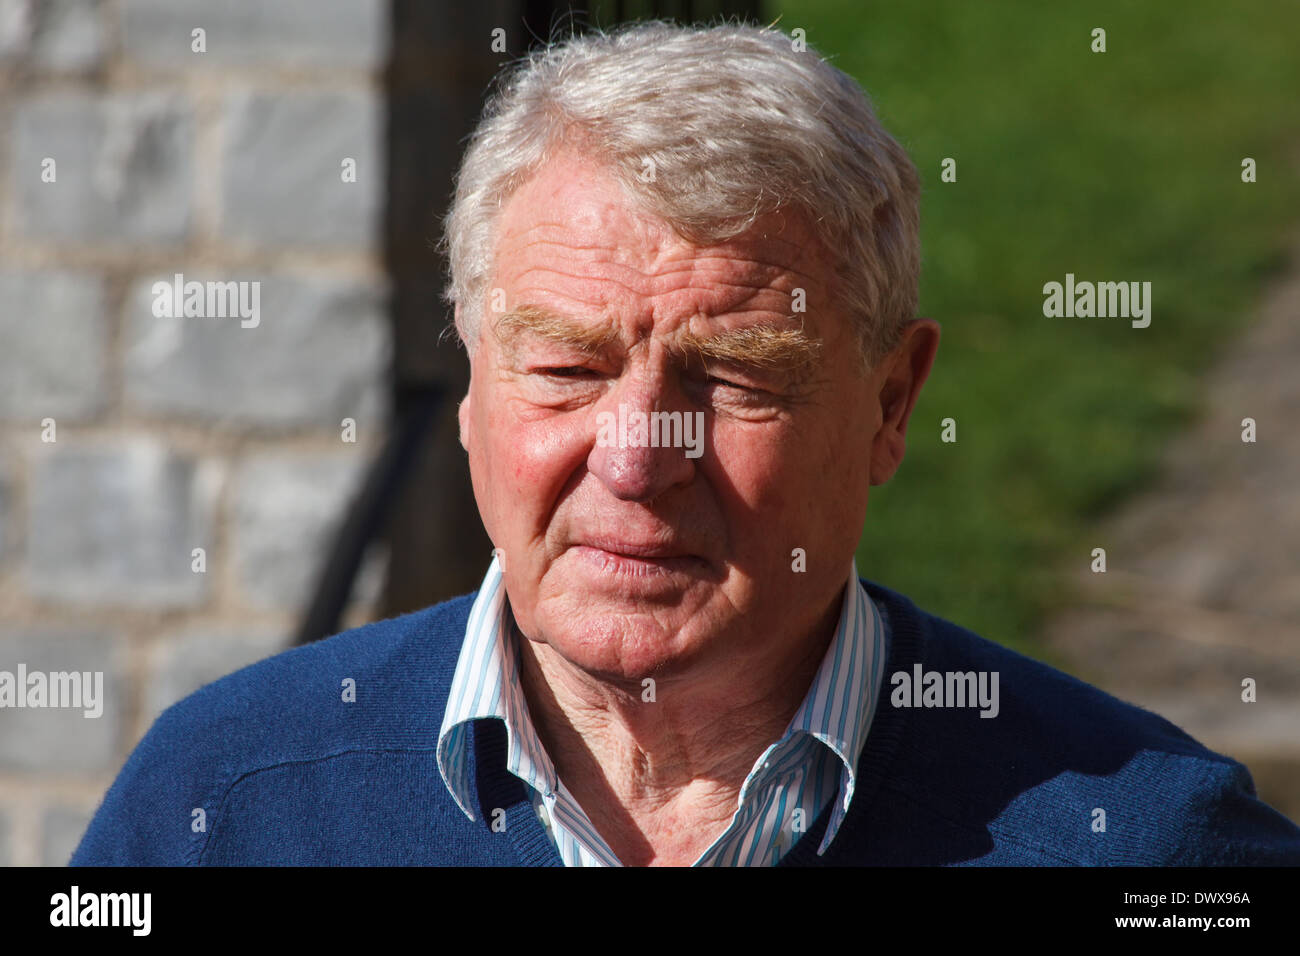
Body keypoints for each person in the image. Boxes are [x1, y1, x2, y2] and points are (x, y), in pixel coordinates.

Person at [73, 20, 1300, 866]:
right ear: (470, 382)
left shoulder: (1143, 842)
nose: (636, 453)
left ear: (889, 403)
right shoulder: (219, 804)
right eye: (565, 367)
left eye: (730, 377)